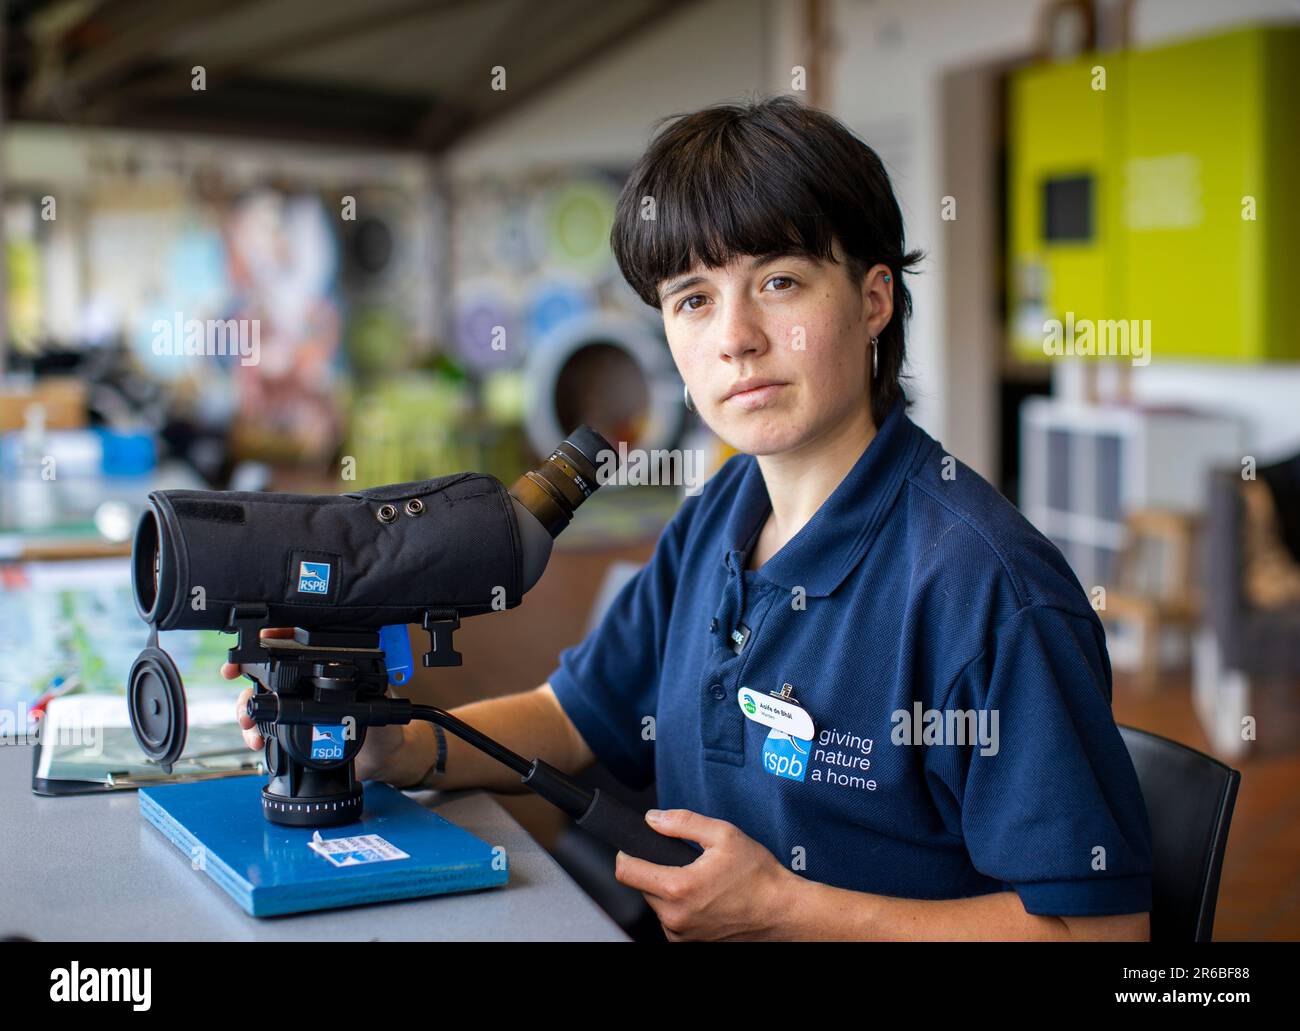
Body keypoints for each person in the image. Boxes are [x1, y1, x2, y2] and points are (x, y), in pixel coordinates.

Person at [229, 95, 1152, 941]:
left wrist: (788, 910)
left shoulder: (986, 589)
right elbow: (572, 715)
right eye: (693, 299)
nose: (735, 337)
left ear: (874, 300)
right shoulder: (720, 514)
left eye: (781, 281)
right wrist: (398, 745)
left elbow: (1103, 938)